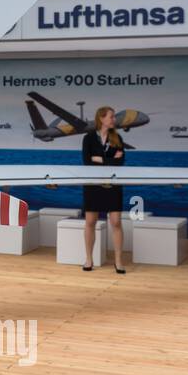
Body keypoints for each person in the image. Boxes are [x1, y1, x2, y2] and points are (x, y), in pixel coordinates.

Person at [81, 106, 126, 274]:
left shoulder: (118, 138)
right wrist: (110, 159)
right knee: (90, 222)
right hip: (93, 184)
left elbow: (121, 163)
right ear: (101, 118)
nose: (114, 120)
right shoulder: (88, 138)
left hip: (113, 184)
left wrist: (99, 159)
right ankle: (88, 259)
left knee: (116, 222)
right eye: (112, 117)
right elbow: (87, 161)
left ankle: (118, 261)